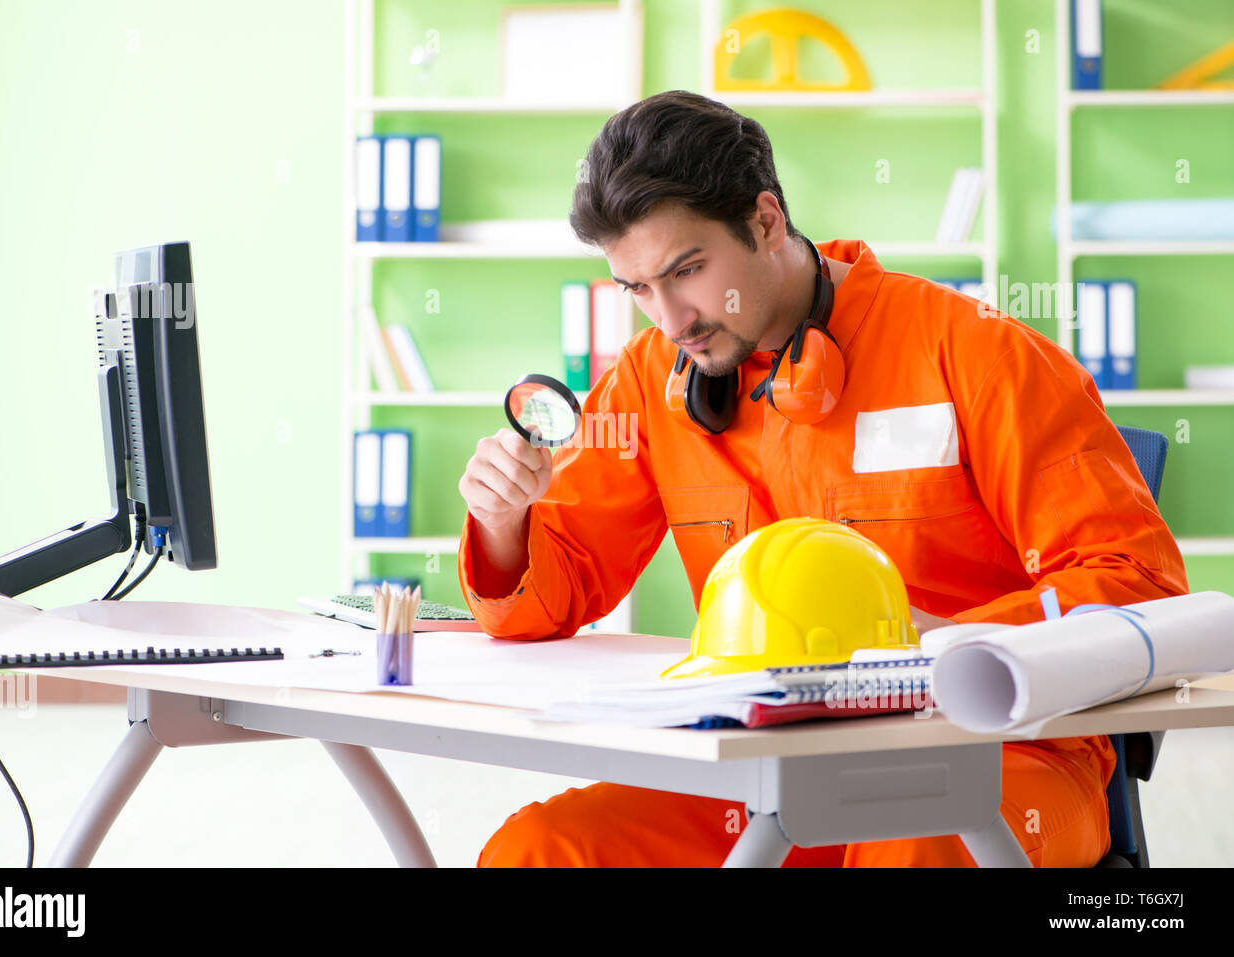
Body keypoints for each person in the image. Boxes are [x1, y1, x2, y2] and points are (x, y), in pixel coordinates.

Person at [456, 90, 1188, 867]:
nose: (669, 319)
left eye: (687, 270)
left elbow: (1137, 583)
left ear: (766, 221)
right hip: (760, 772)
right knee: (541, 849)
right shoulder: (650, 380)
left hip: (996, 754)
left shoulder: (975, 353)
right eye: (637, 288)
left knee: (911, 839)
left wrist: (938, 647)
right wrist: (504, 522)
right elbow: (554, 590)